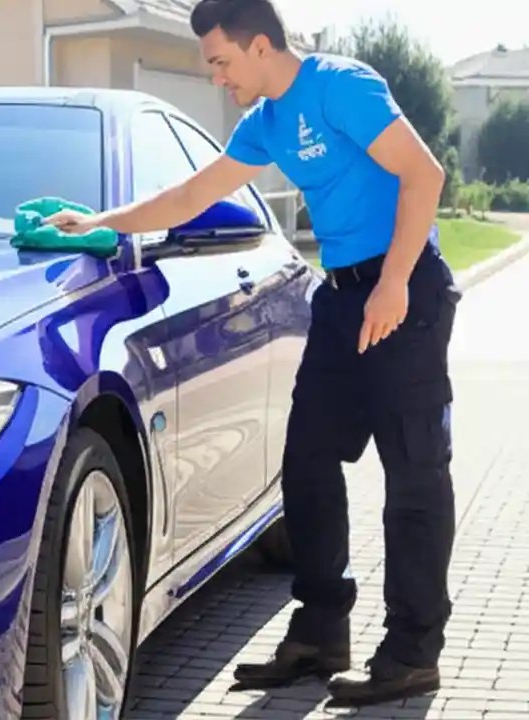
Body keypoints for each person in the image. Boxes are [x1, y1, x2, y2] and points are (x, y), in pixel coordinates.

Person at [44, 0, 458, 708]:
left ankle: (413, 650)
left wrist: (393, 285)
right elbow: (191, 195)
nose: (216, 77)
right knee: (304, 461)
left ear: (260, 45)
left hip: (406, 287)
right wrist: (101, 224)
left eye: (221, 61)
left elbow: (424, 176)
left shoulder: (339, 86)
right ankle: (322, 630)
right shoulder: (264, 123)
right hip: (342, 297)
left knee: (413, 474)